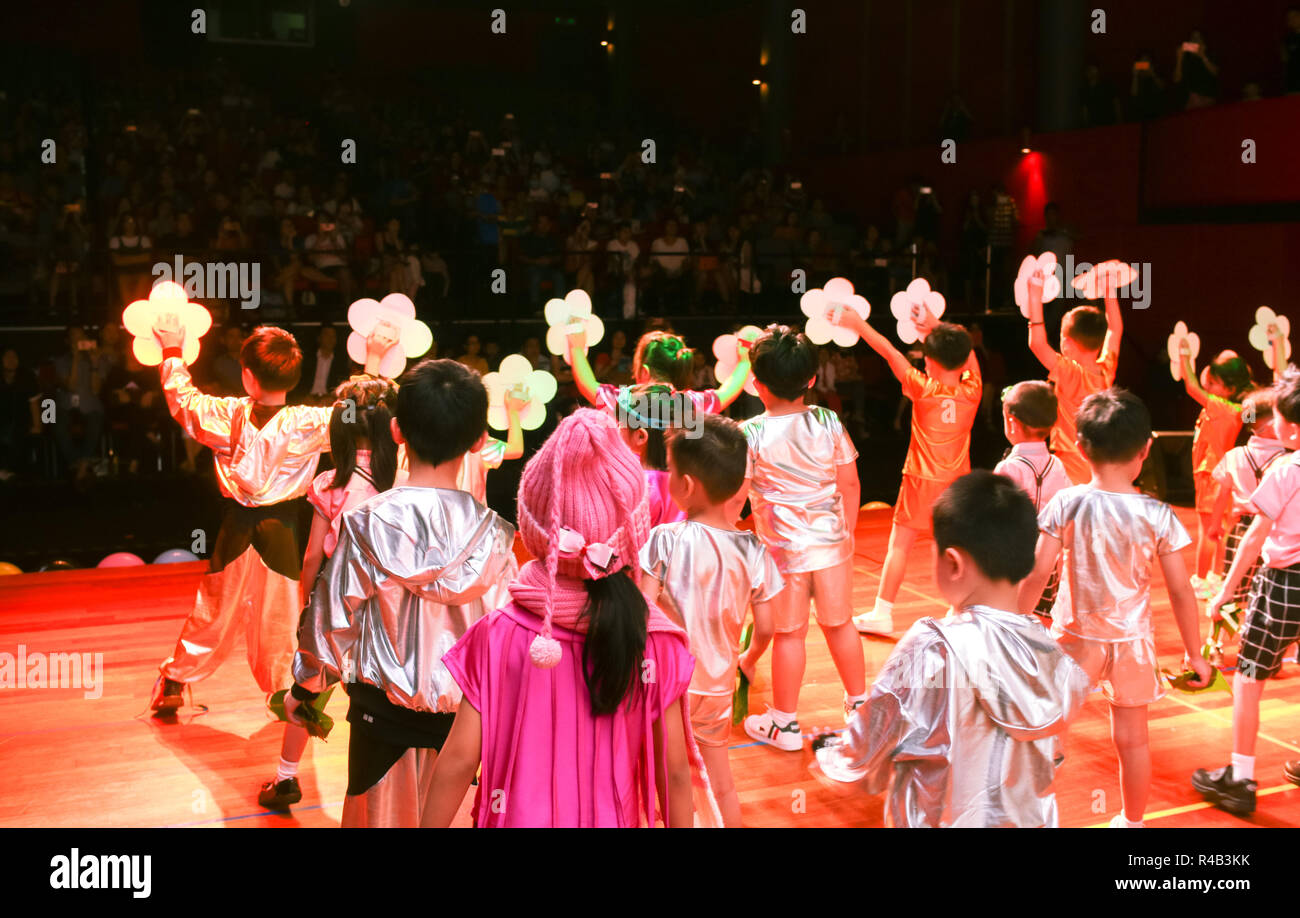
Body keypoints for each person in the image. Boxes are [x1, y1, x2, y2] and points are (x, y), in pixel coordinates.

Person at [425, 409, 705, 827]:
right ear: (634, 530)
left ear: (534, 525)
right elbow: (675, 775)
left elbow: (459, 761)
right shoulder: (654, 642)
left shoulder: (498, 634)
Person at [287, 359, 518, 827]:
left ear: (396, 430)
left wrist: (305, 688)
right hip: (468, 730)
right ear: (478, 440)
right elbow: (506, 641)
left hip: (381, 721)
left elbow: (333, 622)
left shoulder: (368, 523)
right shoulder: (497, 537)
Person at [147, 320, 397, 716]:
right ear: (295, 376)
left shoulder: (225, 416)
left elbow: (183, 400)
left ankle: (176, 680)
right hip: (282, 529)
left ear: (247, 376)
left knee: (214, 608)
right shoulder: (308, 422)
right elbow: (356, 411)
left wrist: (172, 352)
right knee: (280, 617)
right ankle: (283, 691)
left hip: (235, 527)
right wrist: (374, 359)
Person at [814, 471, 1091, 827]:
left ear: (953, 563)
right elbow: (1051, 755)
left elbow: (866, 743)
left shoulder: (933, 646)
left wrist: (834, 757)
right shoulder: (1049, 651)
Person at [1018, 388, 1213, 828]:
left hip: (1074, 638)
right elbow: (1182, 591)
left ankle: (1031, 815)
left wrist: (1011, 623)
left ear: (1081, 447)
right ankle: (1131, 822)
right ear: (1147, 448)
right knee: (1133, 741)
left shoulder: (1067, 502)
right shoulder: (1158, 513)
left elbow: (1037, 574)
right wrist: (1195, 653)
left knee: (1047, 730)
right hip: (1132, 644)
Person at [257, 376, 400, 810]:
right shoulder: (403, 479)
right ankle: (381, 796)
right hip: (387, 610)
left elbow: (312, 559)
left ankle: (285, 779)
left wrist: (307, 604)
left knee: (307, 688)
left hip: (337, 608)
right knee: (377, 703)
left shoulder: (329, 484)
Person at [639, 415, 783, 826]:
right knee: (721, 782)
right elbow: (768, 626)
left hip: (668, 684)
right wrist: (748, 658)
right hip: (718, 687)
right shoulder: (754, 549)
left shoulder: (664, 539)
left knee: (667, 776)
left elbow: (644, 615)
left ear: (685, 486)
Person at [739, 326, 866, 750]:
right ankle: (861, 705)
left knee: (789, 635)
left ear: (757, 385)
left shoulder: (750, 433)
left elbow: (738, 496)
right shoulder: (828, 420)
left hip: (782, 555)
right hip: (832, 546)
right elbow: (850, 484)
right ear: (812, 379)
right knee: (840, 624)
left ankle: (785, 724)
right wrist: (843, 534)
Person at [831, 306, 981, 636]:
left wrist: (858, 324)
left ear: (928, 360)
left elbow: (888, 350)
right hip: (957, 484)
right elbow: (965, 352)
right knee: (954, 549)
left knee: (899, 546)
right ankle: (961, 610)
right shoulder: (973, 390)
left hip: (920, 479)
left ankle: (883, 612)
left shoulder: (923, 388)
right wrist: (938, 328)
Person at [1196, 368, 1300, 815]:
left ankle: (1239, 779)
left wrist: (1222, 594)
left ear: (1291, 427)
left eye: (1277, 418)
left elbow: (1255, 538)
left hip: (1283, 585)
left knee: (1249, 676)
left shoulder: (1286, 470)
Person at [1024, 263, 1123, 486]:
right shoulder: (1106, 369)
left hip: (1070, 463)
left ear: (1066, 343)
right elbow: (1115, 329)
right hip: (1101, 461)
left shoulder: (1069, 372)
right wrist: (1109, 289)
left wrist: (1034, 296)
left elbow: (1037, 344)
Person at [1206, 390, 1290, 624]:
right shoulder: (1288, 460)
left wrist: (1214, 524)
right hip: (1276, 531)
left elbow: (1220, 494)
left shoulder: (1234, 456)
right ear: (1272, 424)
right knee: (1275, 589)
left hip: (1241, 531)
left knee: (1234, 591)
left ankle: (1218, 642)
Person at [994, 381, 1070, 619]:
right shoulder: (1057, 465)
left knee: (1006, 621)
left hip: (1011, 566)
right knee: (1040, 622)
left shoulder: (1008, 468)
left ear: (1012, 423)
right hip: (1047, 565)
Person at [1178, 344, 1252, 579]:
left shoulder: (1222, 408)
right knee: (1220, 531)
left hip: (1211, 475)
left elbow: (1191, 386)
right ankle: (1216, 577)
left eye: (1213, 383)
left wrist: (1184, 355)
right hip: (1218, 475)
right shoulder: (1233, 408)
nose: (1207, 387)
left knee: (1210, 531)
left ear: (1229, 388)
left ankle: (1202, 579)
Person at [569, 329, 752, 418]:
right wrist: (744, 361)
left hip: (638, 491)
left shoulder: (626, 402)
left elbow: (587, 385)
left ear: (645, 372)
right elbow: (726, 393)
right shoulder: (691, 405)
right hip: (679, 491)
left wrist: (576, 347)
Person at [1174, 29, 1220, 109]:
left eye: (1198, 38)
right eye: (1193, 39)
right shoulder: (1186, 58)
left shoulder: (1209, 54)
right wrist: (1179, 59)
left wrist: (1203, 56)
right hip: (1192, 100)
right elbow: (1177, 79)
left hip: (1208, 99)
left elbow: (1215, 72)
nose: (1195, 41)